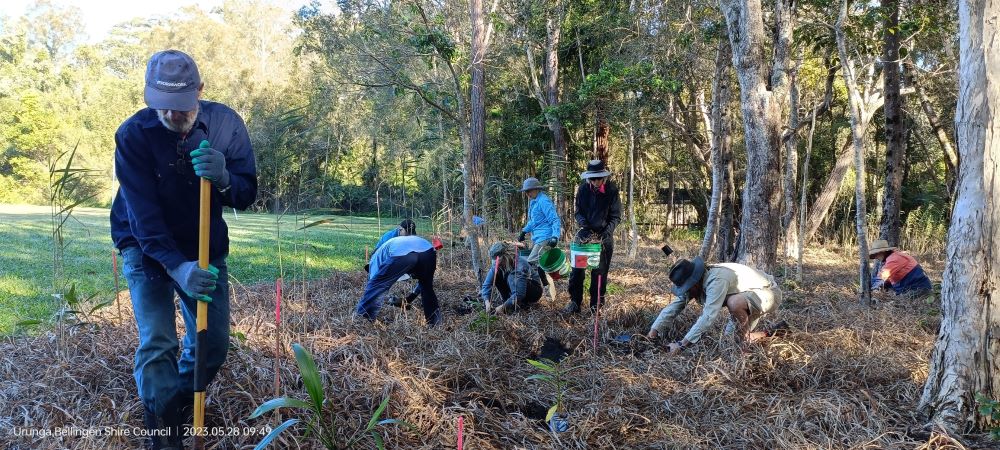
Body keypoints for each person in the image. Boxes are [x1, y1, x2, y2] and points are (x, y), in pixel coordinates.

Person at [110, 50, 257, 448]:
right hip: (143, 244)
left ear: (200, 91)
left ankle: (172, 402)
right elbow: (144, 218)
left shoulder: (225, 125)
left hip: (203, 245)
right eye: (163, 105)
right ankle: (163, 431)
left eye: (180, 105)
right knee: (159, 342)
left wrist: (224, 177)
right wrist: (177, 268)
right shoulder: (133, 135)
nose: (172, 115)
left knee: (213, 345)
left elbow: (246, 193)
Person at [647, 257, 786, 356]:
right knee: (729, 341)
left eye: (686, 287)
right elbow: (673, 307)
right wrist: (652, 333)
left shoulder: (716, 280)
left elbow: (708, 317)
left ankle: (744, 350)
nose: (685, 291)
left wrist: (681, 345)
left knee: (734, 303)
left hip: (768, 293)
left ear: (694, 282)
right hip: (748, 297)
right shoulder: (695, 284)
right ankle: (776, 332)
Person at [564, 160, 622, 314]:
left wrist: (607, 232)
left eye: (599, 178)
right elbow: (578, 212)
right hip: (584, 235)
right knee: (577, 270)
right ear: (588, 178)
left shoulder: (611, 190)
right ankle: (575, 302)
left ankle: (596, 307)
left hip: (604, 236)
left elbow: (616, 216)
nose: (596, 182)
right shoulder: (583, 189)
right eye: (593, 179)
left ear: (604, 177)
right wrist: (584, 224)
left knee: (599, 273)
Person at [356, 235, 441, 326]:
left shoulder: (374, 260)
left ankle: (363, 320)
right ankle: (435, 323)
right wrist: (409, 299)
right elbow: (422, 283)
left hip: (403, 253)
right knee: (426, 286)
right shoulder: (388, 247)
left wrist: (367, 297)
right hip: (428, 251)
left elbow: (374, 283)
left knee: (377, 284)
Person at [481, 242, 543, 314]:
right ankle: (508, 301)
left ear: (506, 256)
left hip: (533, 292)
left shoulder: (520, 266)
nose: (496, 263)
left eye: (498, 260)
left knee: (512, 276)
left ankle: (516, 304)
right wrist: (487, 302)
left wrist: (503, 307)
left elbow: (519, 294)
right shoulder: (497, 264)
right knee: (497, 273)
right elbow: (487, 284)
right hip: (516, 290)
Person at [517, 177, 561, 280]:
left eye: (529, 191)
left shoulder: (543, 201)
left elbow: (554, 219)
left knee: (531, 261)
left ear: (537, 189)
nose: (527, 194)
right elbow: (534, 221)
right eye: (526, 192)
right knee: (539, 263)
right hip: (537, 237)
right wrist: (524, 231)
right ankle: (545, 284)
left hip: (545, 237)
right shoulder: (534, 202)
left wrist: (555, 236)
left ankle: (543, 282)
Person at [869, 239, 933, 297]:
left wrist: (873, 288)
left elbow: (881, 277)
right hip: (911, 287)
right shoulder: (892, 258)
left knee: (896, 300)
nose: (876, 257)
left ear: (882, 252)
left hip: (920, 288)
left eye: (876, 254)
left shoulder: (893, 259)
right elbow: (886, 279)